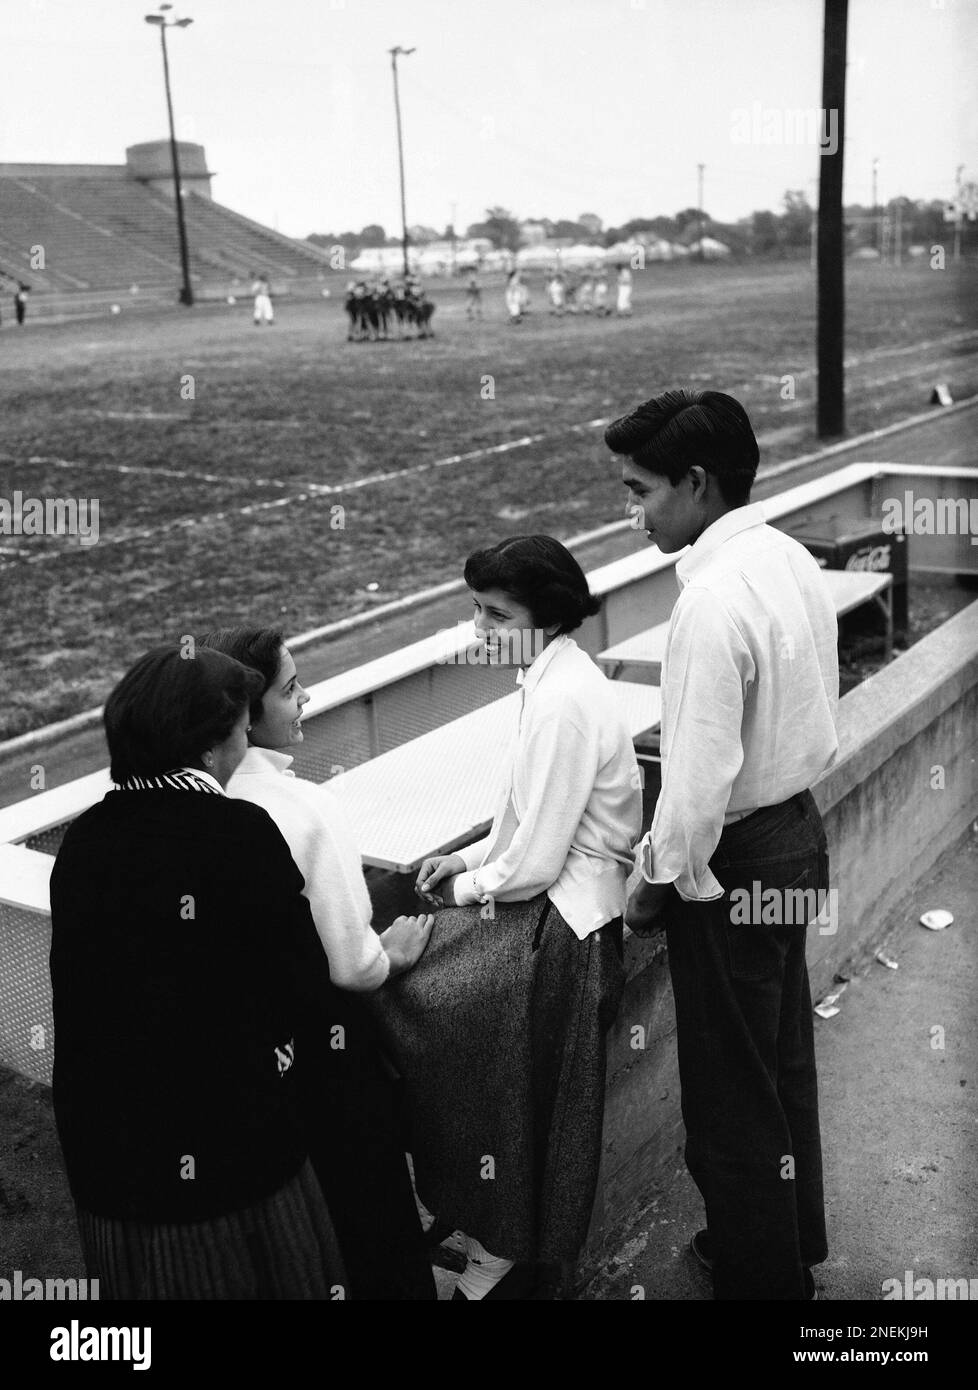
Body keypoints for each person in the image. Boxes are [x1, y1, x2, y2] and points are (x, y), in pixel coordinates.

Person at [605, 389, 839, 1301]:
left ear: (697, 484)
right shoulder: (784, 554)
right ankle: (789, 1246)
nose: (632, 512)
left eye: (639, 490)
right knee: (781, 1063)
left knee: (731, 1091)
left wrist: (649, 891)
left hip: (736, 859)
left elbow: (696, 793)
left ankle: (759, 1277)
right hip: (794, 837)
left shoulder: (708, 602)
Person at [370, 535, 643, 1299]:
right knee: (451, 1028)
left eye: (496, 614)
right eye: (477, 611)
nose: (481, 629)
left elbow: (534, 866)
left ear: (547, 615)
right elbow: (521, 817)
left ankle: (490, 1233)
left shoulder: (561, 699)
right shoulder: (550, 678)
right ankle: (479, 1215)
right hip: (547, 903)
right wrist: (464, 860)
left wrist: (459, 894)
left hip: (566, 923)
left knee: (412, 996)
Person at [49, 645, 347, 1299]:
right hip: (236, 1176)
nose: (247, 739)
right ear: (211, 748)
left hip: (111, 1172)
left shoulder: (83, 841)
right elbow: (303, 988)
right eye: (242, 728)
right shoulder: (239, 831)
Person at [199, 626, 436, 1300]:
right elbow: (351, 965)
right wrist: (385, 957)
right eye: (292, 688)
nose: (307, 697)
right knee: (374, 1212)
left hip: (245, 1067)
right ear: (246, 713)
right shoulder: (305, 809)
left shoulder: (197, 803)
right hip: (325, 1055)